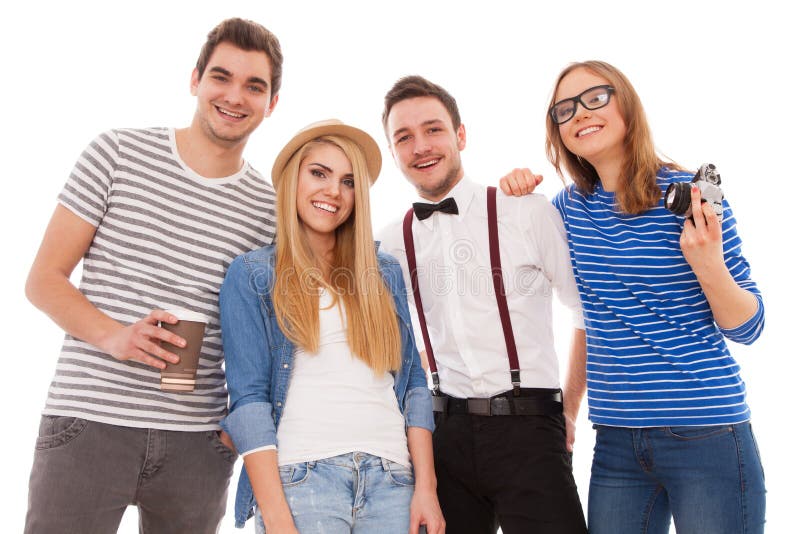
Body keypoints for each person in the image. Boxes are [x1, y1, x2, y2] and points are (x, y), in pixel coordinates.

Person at [23, 18, 282, 533]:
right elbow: (44, 279)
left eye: (255, 86)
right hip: (88, 423)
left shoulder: (268, 207)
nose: (235, 96)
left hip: (198, 443)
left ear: (271, 102)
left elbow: (269, 333)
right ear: (195, 80)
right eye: (221, 77)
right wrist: (115, 337)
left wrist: (241, 425)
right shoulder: (116, 153)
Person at [504, 59, 766, 533]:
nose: (580, 113)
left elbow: (749, 326)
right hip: (618, 444)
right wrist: (567, 409)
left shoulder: (688, 196)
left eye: (595, 98)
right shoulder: (566, 211)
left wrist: (708, 265)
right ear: (557, 130)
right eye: (565, 109)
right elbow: (589, 315)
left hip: (707, 433)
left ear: (626, 105)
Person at [378, 75, 588, 534]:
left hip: (530, 429)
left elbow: (583, 312)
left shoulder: (525, 211)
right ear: (393, 153)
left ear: (461, 135)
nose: (420, 146)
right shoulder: (388, 242)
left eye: (433, 129)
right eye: (403, 137)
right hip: (442, 436)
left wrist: (569, 410)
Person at [219, 119, 445, 534]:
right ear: (293, 179)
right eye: (319, 173)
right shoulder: (253, 275)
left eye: (348, 181)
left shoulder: (384, 272)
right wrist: (279, 519)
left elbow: (413, 382)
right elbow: (248, 401)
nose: (333, 192)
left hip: (393, 480)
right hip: (302, 479)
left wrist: (426, 489)